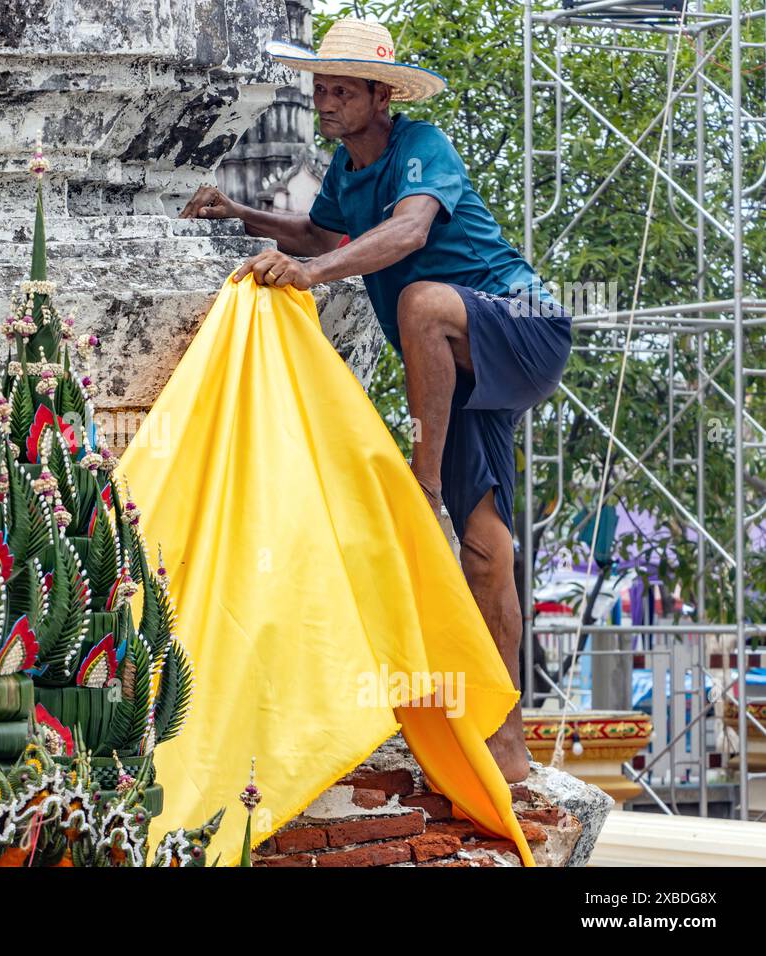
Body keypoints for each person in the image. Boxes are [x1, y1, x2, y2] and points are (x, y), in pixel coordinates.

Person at [180, 18, 572, 782]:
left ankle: (420, 487)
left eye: (341, 90)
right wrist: (240, 211)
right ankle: (509, 740)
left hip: (526, 327)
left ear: (380, 96)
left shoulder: (420, 145)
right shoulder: (344, 166)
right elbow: (325, 235)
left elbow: (405, 234)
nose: (325, 101)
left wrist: (312, 279)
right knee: (487, 549)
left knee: (420, 302)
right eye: (320, 88)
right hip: (464, 374)